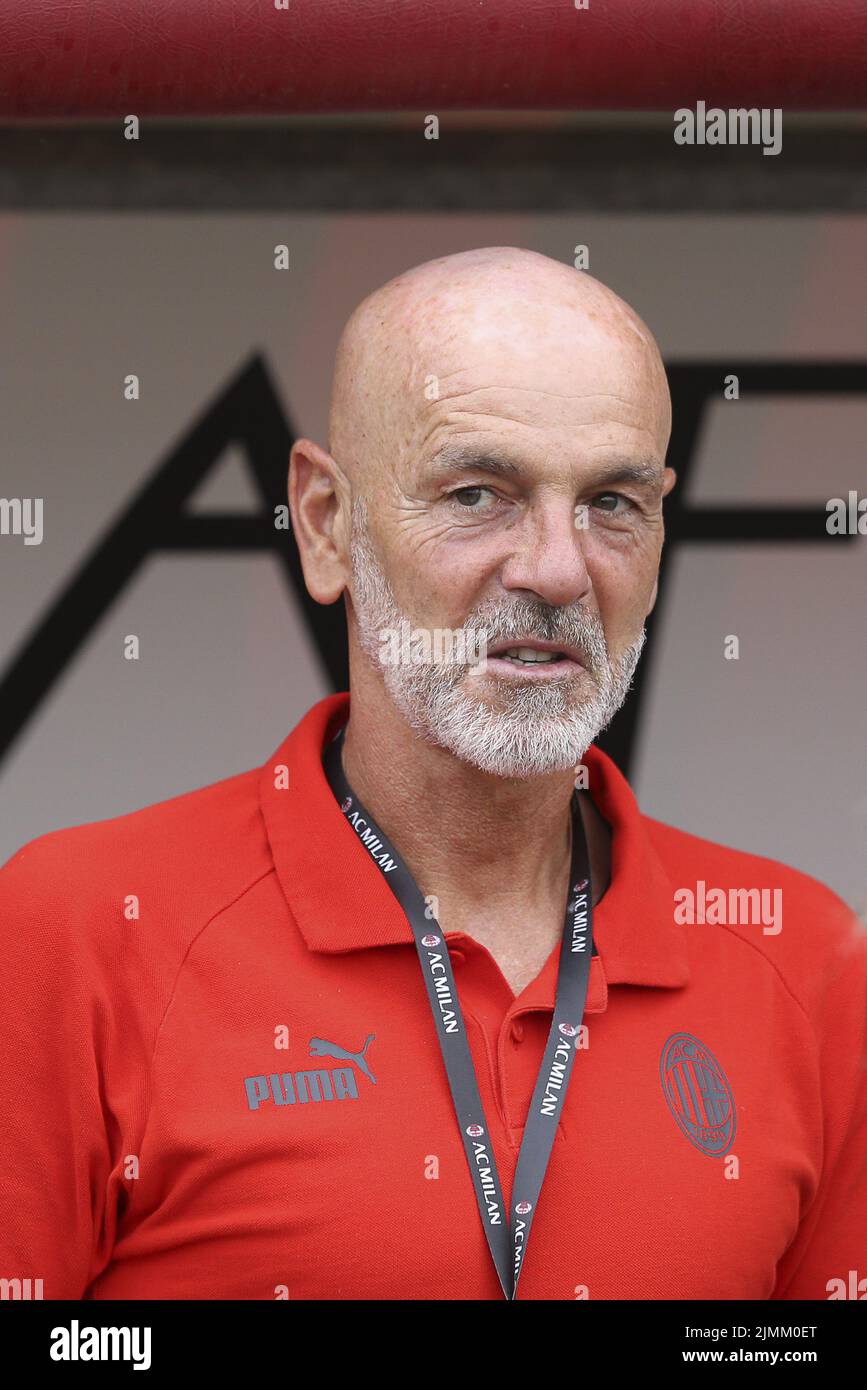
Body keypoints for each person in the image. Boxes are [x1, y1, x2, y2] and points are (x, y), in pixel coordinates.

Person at [1, 247, 864, 1301]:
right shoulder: (77, 932)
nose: (556, 567)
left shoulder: (807, 958)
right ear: (325, 524)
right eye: (476, 493)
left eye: (612, 503)